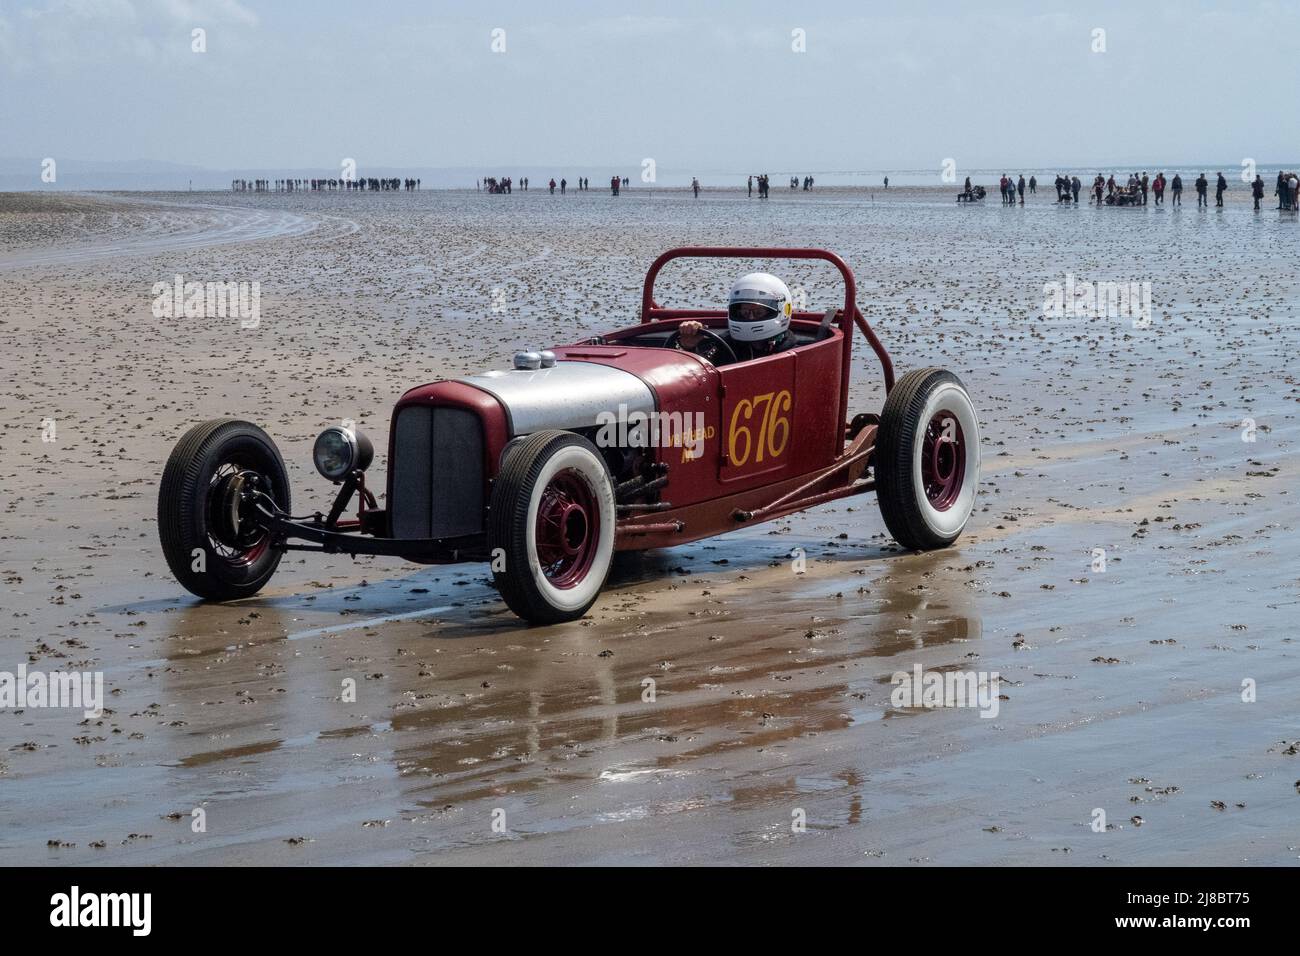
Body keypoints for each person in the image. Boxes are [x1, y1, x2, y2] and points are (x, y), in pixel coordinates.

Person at [675, 273, 796, 367]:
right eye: (744, 312)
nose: (750, 318)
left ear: (783, 311)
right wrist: (688, 347)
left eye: (758, 313)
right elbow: (697, 375)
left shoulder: (793, 352)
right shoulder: (722, 345)